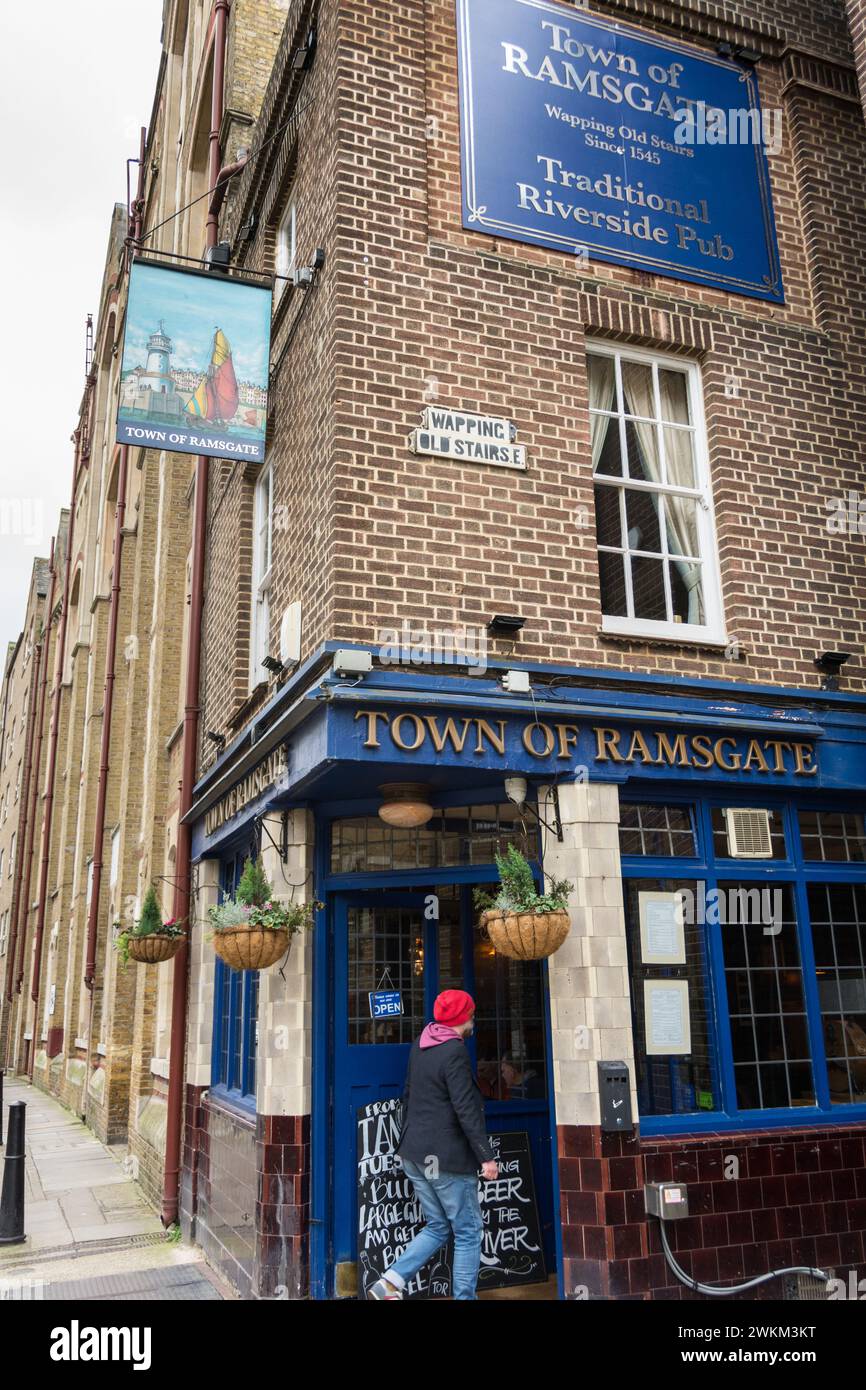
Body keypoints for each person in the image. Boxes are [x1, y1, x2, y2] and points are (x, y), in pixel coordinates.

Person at [367, 989, 498, 1300]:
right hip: (446, 1157)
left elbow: (408, 1097)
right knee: (467, 1232)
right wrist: (486, 1157)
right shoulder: (454, 1051)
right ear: (463, 1017)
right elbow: (465, 1107)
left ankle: (389, 1283)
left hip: (414, 1153)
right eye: (471, 1013)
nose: (473, 1018)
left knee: (438, 1226)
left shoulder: (421, 1045)